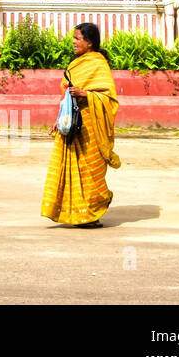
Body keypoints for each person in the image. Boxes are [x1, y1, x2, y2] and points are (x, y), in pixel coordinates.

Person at [41, 22, 121, 228]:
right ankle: (74, 213)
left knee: (90, 170)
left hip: (91, 125)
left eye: (78, 38)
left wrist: (87, 94)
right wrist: (59, 120)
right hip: (72, 124)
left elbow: (109, 98)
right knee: (69, 169)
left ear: (90, 42)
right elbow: (65, 96)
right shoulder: (74, 63)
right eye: (74, 38)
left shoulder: (98, 63)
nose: (74, 42)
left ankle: (91, 213)